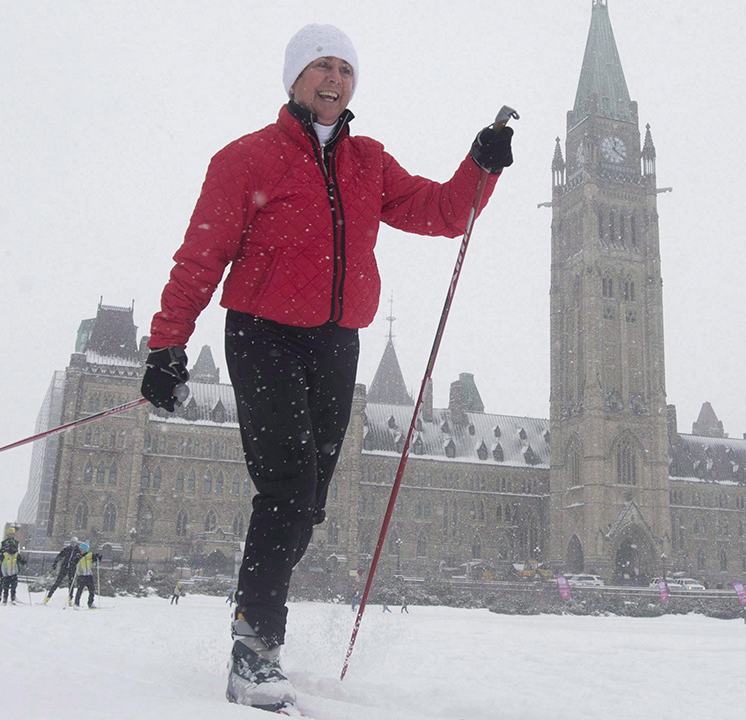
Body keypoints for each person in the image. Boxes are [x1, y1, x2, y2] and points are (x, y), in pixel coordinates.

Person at [138, 23, 511, 716]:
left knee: (309, 501)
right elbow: (201, 256)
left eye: (345, 69)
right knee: (285, 485)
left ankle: (256, 619)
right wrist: (168, 344)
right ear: (295, 79)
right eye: (322, 67)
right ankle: (255, 648)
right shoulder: (246, 158)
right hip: (264, 333)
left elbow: (442, 212)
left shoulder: (369, 162)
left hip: (337, 342)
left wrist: (479, 166)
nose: (335, 78)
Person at [0, 528, 26, 603]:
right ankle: (0, 597)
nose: (11, 535)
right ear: (7, 534)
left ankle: (13, 597)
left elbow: (18, 554)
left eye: (12, 534)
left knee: (13, 583)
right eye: (10, 534)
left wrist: (21, 561)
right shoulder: (3, 543)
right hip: (4, 566)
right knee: (2, 582)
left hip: (13, 566)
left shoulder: (17, 543)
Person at [45, 537, 81, 604]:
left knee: (71, 584)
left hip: (72, 568)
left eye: (74, 543)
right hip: (64, 567)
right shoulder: (67, 549)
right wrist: (55, 563)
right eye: (72, 542)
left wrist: (77, 560)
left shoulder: (78, 551)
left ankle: (70, 599)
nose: (73, 544)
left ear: (76, 543)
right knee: (57, 582)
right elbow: (60, 556)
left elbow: (80, 559)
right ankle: (48, 597)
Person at [71, 543, 100, 609]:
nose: (80, 550)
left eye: (82, 549)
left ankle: (90, 603)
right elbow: (73, 562)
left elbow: (96, 559)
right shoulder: (78, 555)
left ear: (85, 550)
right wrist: (76, 560)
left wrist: (98, 557)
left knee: (92, 590)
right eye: (80, 549)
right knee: (80, 590)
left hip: (88, 575)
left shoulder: (90, 555)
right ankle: (76, 604)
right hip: (80, 575)